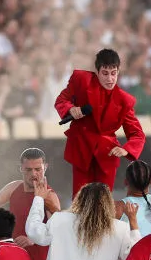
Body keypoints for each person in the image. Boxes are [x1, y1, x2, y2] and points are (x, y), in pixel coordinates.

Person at [54, 48, 146, 198]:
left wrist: (126, 150)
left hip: (107, 155)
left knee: (103, 203)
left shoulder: (125, 100)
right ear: (97, 72)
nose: (110, 79)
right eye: (105, 73)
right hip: (81, 149)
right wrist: (70, 109)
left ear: (118, 72)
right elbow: (61, 101)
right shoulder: (81, 80)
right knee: (80, 201)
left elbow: (137, 134)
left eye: (113, 73)